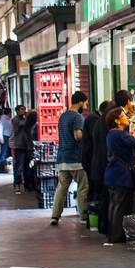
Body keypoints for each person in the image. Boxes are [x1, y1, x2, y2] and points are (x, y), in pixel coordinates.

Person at [103, 107, 135, 245]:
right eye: (123, 116)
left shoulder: (111, 134)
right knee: (120, 206)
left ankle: (113, 234)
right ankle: (117, 236)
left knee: (115, 205)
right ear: (117, 121)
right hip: (120, 175)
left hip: (112, 175)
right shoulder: (119, 134)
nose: (127, 118)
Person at [50, 91, 89, 226]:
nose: (86, 105)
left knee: (61, 188)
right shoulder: (77, 117)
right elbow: (78, 135)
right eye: (85, 102)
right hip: (75, 159)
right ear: (80, 102)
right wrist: (88, 137)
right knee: (83, 187)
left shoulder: (63, 116)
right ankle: (83, 216)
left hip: (62, 158)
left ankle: (55, 216)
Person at [82, 100, 113, 234]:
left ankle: (93, 223)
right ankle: (99, 223)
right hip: (96, 165)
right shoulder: (97, 121)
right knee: (99, 196)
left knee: (95, 194)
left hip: (93, 164)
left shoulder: (95, 120)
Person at [10, 104, 35, 195]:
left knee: (26, 167)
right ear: (17, 111)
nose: (24, 110)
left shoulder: (24, 120)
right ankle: (17, 185)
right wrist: (30, 115)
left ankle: (27, 185)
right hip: (19, 146)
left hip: (27, 146)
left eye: (24, 109)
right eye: (22, 109)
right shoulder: (16, 120)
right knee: (19, 167)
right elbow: (24, 125)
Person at [0, 107, 13, 173]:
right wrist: (1, 137)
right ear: (9, 113)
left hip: (8, 137)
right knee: (4, 153)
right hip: (5, 137)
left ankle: (5, 166)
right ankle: (1, 168)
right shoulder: (3, 119)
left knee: (6, 153)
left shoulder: (8, 119)